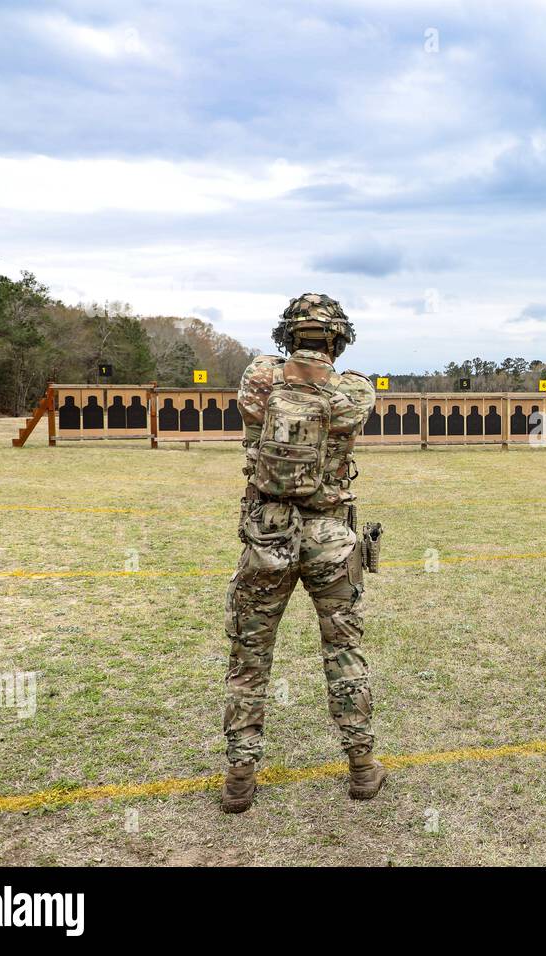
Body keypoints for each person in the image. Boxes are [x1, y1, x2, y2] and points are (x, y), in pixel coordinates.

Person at [221, 293, 386, 813]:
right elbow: (351, 411)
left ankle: (240, 777)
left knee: (250, 658)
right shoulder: (354, 388)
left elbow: (255, 404)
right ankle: (361, 767)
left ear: (285, 334)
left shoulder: (258, 378)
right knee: (343, 651)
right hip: (331, 536)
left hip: (266, 533)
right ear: (339, 338)